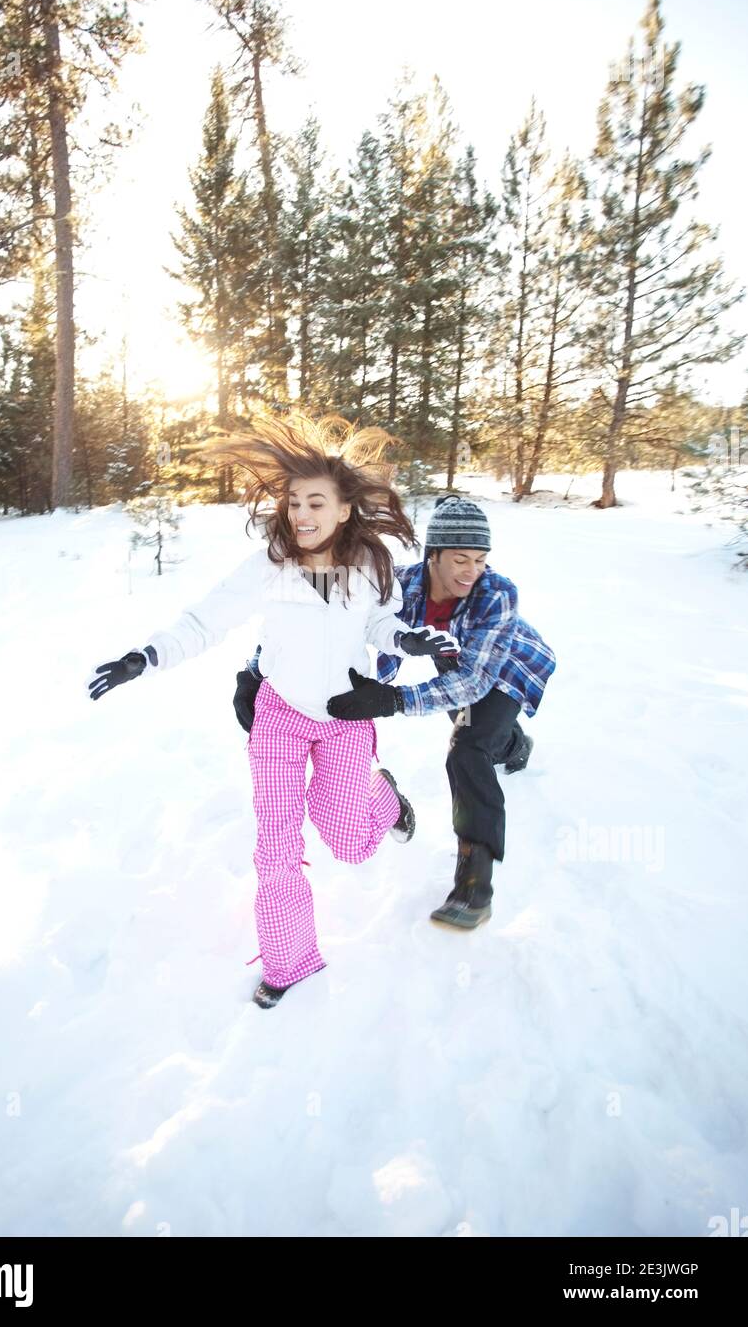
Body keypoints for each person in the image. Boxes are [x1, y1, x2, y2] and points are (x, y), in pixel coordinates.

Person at [87, 414, 460, 1008]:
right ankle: (290, 961)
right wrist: (146, 656)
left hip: (343, 715)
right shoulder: (269, 566)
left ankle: (383, 797)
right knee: (275, 846)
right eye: (293, 502)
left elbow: (379, 621)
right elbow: (205, 620)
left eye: (316, 502)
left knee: (348, 839)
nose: (302, 514)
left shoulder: (369, 565)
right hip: (280, 718)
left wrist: (408, 641)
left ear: (343, 510)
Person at [234, 496, 556, 930]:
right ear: (433, 555)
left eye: (480, 560)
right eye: (460, 559)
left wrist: (394, 700)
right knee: (485, 734)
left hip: (508, 666)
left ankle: (475, 887)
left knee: (469, 747)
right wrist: (257, 672)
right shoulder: (402, 584)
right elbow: (323, 622)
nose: (471, 571)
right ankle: (514, 745)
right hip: (454, 660)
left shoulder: (496, 594)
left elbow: (475, 683)